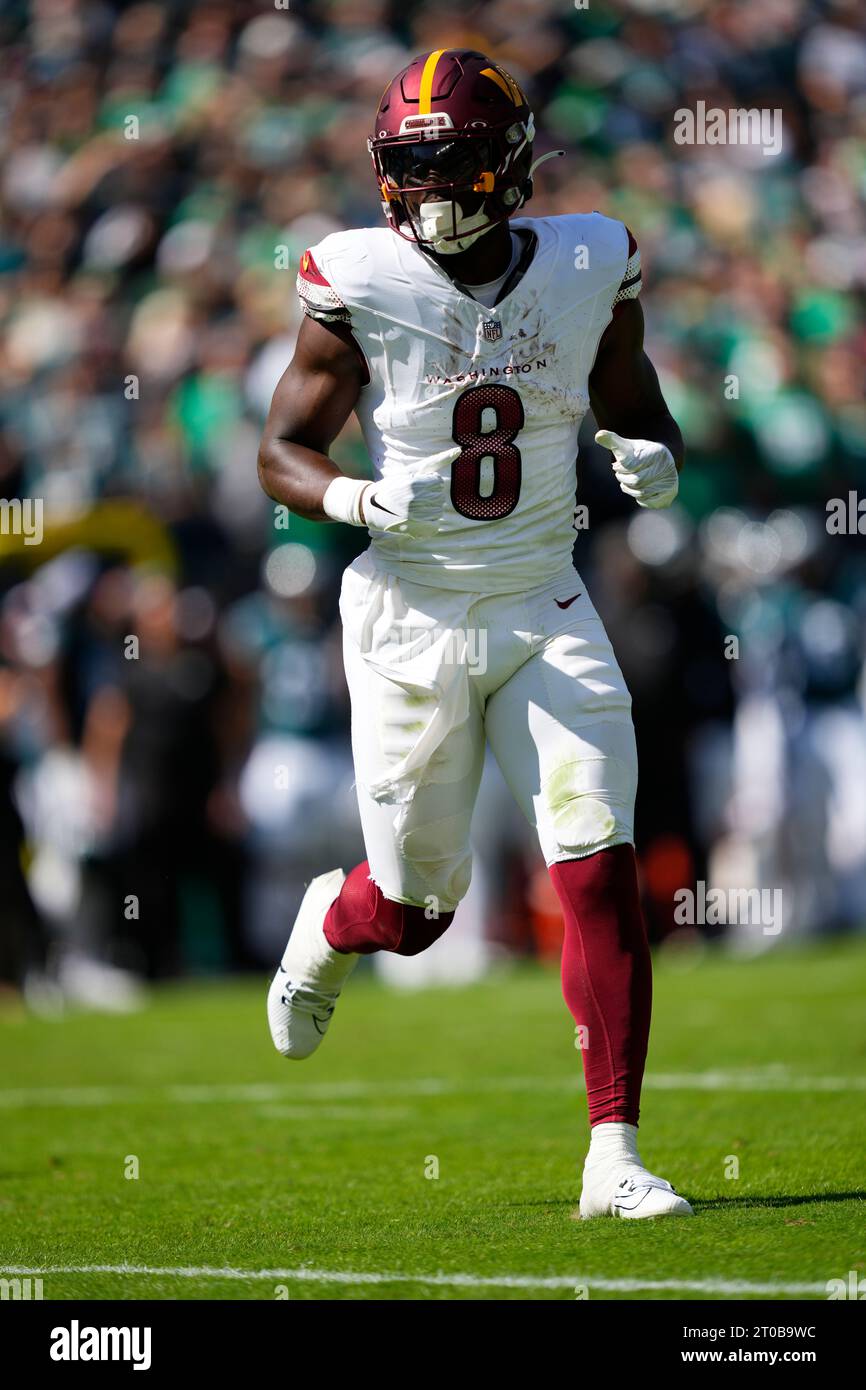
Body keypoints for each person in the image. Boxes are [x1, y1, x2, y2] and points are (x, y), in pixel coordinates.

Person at [258, 49, 691, 1220]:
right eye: (409, 166)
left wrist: (657, 454)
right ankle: (333, 920)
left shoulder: (588, 260)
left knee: (596, 866)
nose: (427, 190)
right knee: (416, 911)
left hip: (544, 599)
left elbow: (635, 405)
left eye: (449, 162)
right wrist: (349, 499)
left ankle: (613, 1155)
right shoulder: (357, 277)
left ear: (507, 165)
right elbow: (279, 449)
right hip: (409, 612)